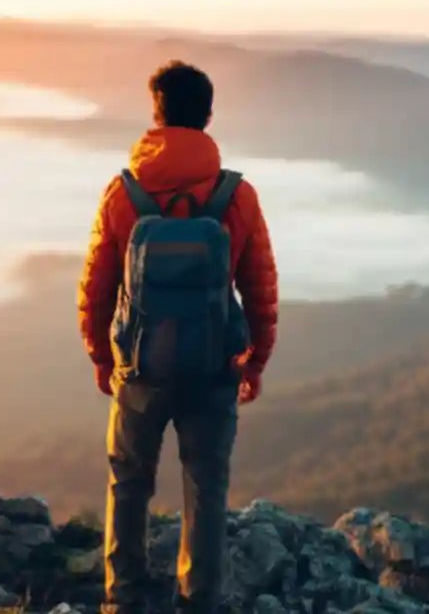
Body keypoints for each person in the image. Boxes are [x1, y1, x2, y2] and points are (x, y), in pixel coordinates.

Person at [78, 60, 278, 613]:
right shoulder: (236, 197)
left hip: (140, 367)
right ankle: (200, 601)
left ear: (157, 115)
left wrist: (100, 355)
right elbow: (259, 287)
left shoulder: (123, 195)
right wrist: (254, 362)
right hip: (214, 367)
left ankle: (123, 598)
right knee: (206, 489)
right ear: (207, 117)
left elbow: (96, 286)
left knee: (129, 482)